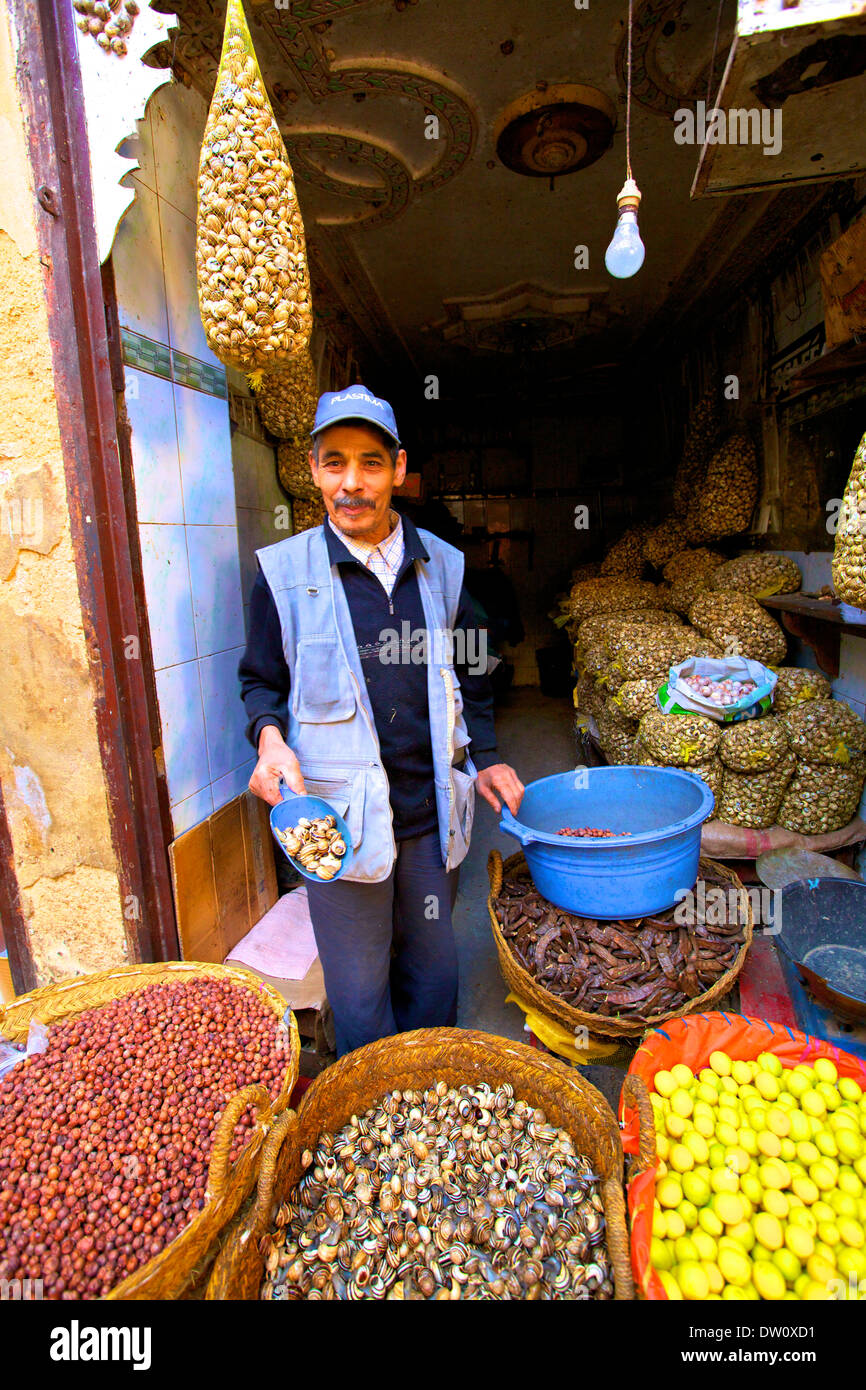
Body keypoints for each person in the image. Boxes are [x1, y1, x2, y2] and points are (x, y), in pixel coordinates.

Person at [239, 386, 524, 1056]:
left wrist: (487, 755)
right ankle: (375, 1096)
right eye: (334, 462)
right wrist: (270, 738)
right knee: (359, 981)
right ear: (312, 470)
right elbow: (261, 682)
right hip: (337, 819)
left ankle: (431, 1085)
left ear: (399, 469)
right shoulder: (281, 575)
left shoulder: (444, 568)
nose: (352, 483)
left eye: (371, 463)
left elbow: (473, 669)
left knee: (433, 961)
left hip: (428, 810)